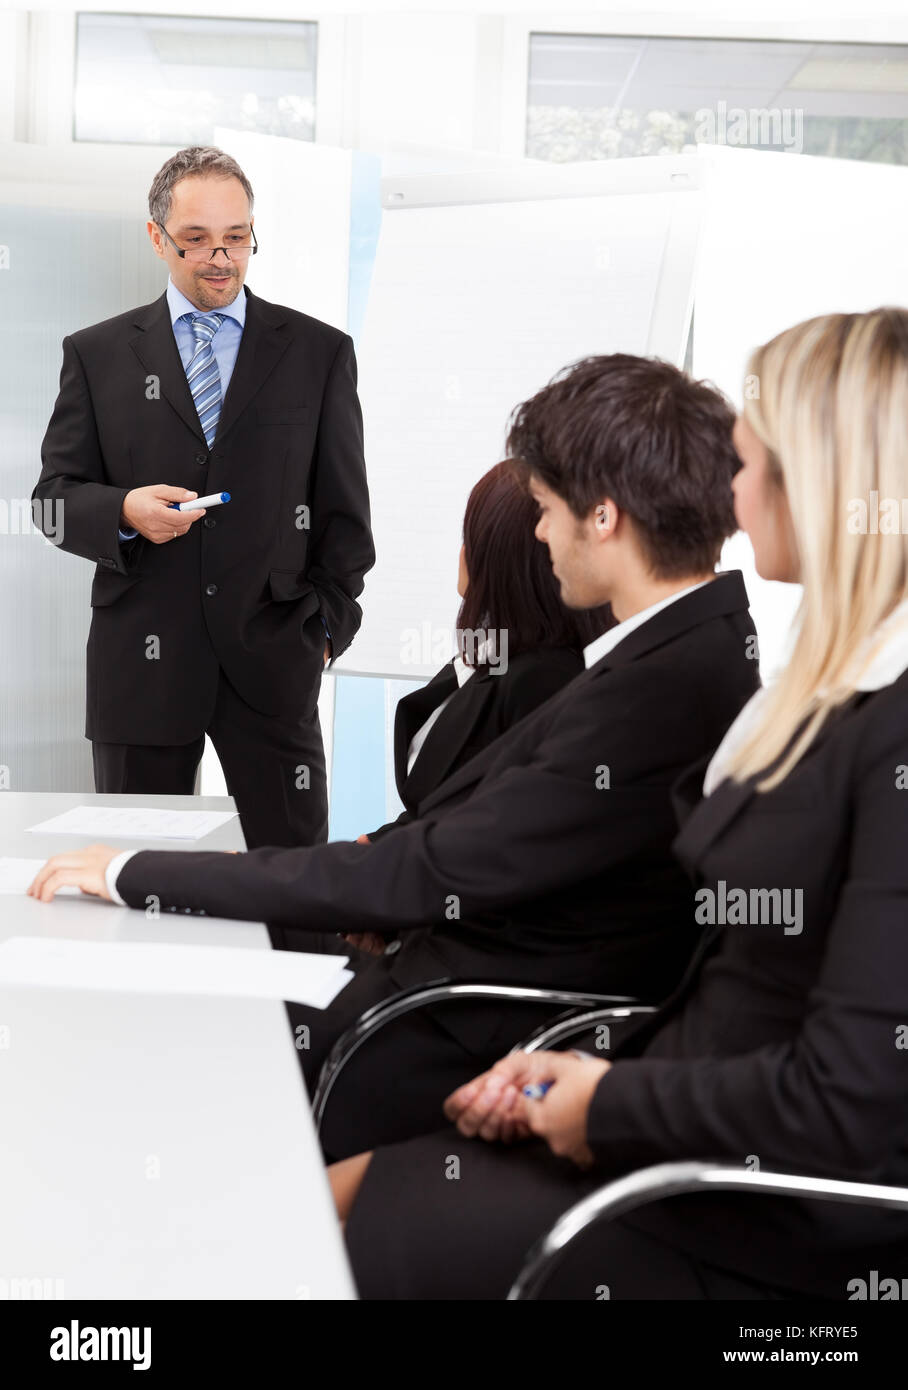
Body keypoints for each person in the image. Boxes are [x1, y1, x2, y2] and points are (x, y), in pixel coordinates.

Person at [29, 352, 759, 1158]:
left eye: (547, 507)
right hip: (442, 993)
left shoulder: (660, 684)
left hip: (444, 1030)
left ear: (604, 516)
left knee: (141, 1051)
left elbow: (431, 869)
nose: (539, 530)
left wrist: (136, 872)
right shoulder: (673, 652)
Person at [332, 307, 908, 1300]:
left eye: (751, 462)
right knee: (328, 1198)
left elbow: (842, 1097)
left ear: (827, 480)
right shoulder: (823, 689)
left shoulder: (882, 728)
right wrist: (575, 1074)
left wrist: (604, 1100)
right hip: (685, 1140)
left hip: (750, 1214)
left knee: (324, 1228)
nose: (728, 493)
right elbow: (727, 991)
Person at [32, 145, 374, 850]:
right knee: (131, 879)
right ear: (157, 237)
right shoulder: (95, 355)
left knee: (297, 886)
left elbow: (346, 519)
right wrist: (124, 512)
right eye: (197, 241)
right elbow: (52, 499)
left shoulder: (318, 353)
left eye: (236, 239)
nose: (221, 259)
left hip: (275, 659)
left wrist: (324, 632)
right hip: (142, 668)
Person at [333, 459, 611, 958]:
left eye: (470, 535)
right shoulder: (494, 655)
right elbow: (444, 808)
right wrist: (374, 850)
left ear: (495, 557)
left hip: (452, 950)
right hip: (410, 907)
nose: (460, 551)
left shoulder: (543, 683)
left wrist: (381, 902)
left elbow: (481, 851)